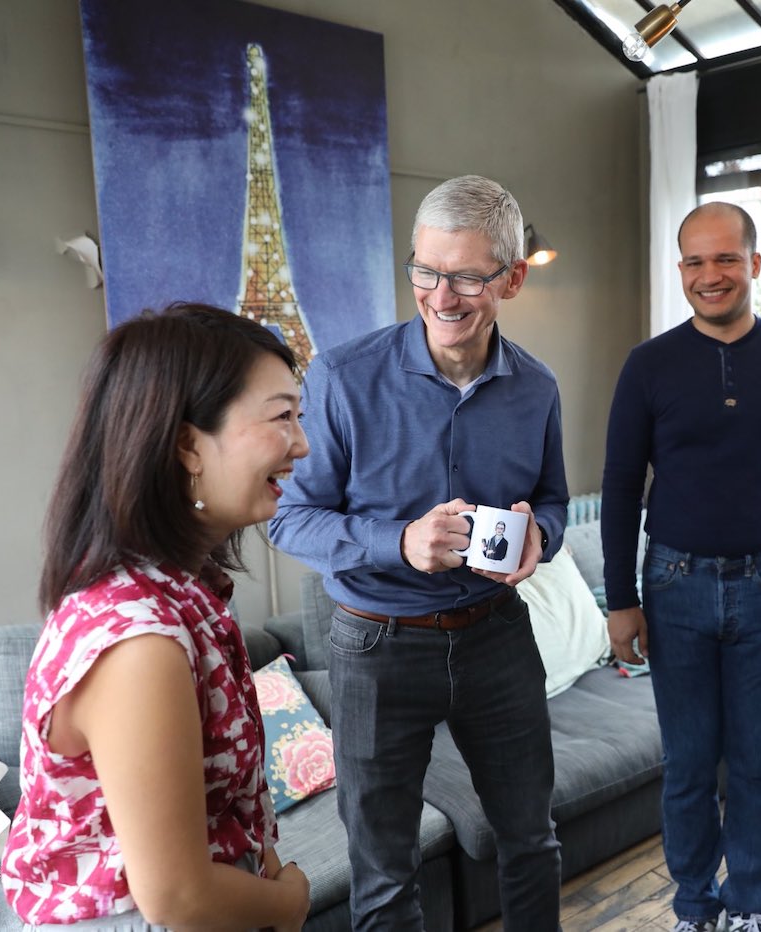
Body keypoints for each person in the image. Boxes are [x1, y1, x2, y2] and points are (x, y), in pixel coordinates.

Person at [269, 175, 568, 931]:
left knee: (531, 841)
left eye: (468, 275)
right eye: (426, 271)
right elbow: (288, 518)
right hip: (375, 644)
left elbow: (556, 500)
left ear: (512, 277)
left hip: (496, 634)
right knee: (384, 868)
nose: (442, 295)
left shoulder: (537, 388)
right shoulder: (341, 377)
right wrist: (395, 542)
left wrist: (544, 536)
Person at [0, 304, 311, 930]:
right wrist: (288, 903)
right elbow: (178, 896)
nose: (300, 444)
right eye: (282, 417)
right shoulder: (137, 641)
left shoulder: (179, 591)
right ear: (187, 444)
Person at [601, 202, 761, 932]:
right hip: (672, 584)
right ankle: (693, 907)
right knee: (686, 766)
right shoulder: (648, 365)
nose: (711, 276)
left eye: (726, 260)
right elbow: (619, 486)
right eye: (695, 263)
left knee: (755, 766)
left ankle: (748, 907)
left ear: (754, 264)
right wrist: (620, 600)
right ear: (680, 271)